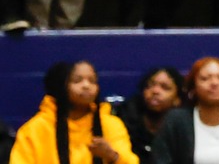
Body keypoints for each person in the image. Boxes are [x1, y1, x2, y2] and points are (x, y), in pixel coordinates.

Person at [11, 61, 139, 164]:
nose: (86, 86)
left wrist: (112, 156)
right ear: (59, 86)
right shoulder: (34, 129)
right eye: (77, 80)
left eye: (92, 81)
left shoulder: (111, 124)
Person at [118, 68, 184, 160]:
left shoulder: (183, 129)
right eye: (149, 86)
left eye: (165, 87)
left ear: (177, 99)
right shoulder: (124, 120)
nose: (155, 91)